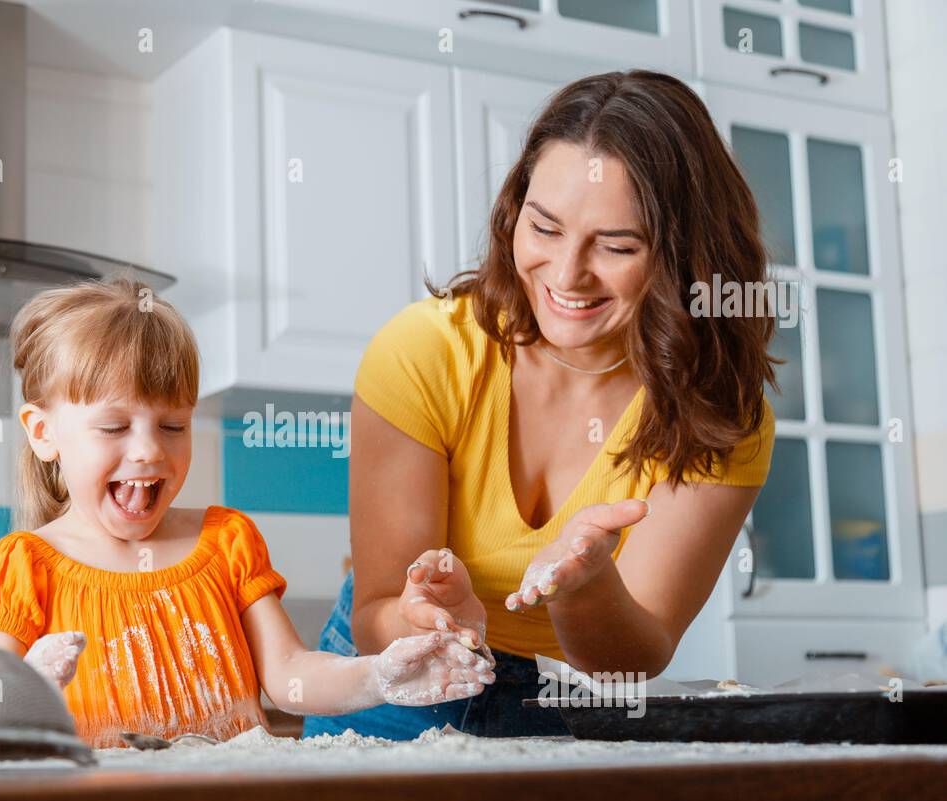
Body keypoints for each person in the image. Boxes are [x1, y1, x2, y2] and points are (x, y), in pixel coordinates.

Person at [303, 70, 778, 741]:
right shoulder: (424, 351)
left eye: (616, 246)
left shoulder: (721, 415)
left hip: (553, 700)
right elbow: (379, 608)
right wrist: (436, 621)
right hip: (390, 676)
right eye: (545, 227)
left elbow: (632, 659)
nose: (566, 274)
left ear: (684, 256)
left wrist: (584, 588)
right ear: (514, 211)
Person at [0, 278, 495, 748]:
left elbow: (290, 674)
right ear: (43, 434)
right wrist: (26, 692)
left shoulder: (226, 540)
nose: (150, 450)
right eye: (114, 427)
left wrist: (379, 676)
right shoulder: (23, 566)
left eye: (173, 426)